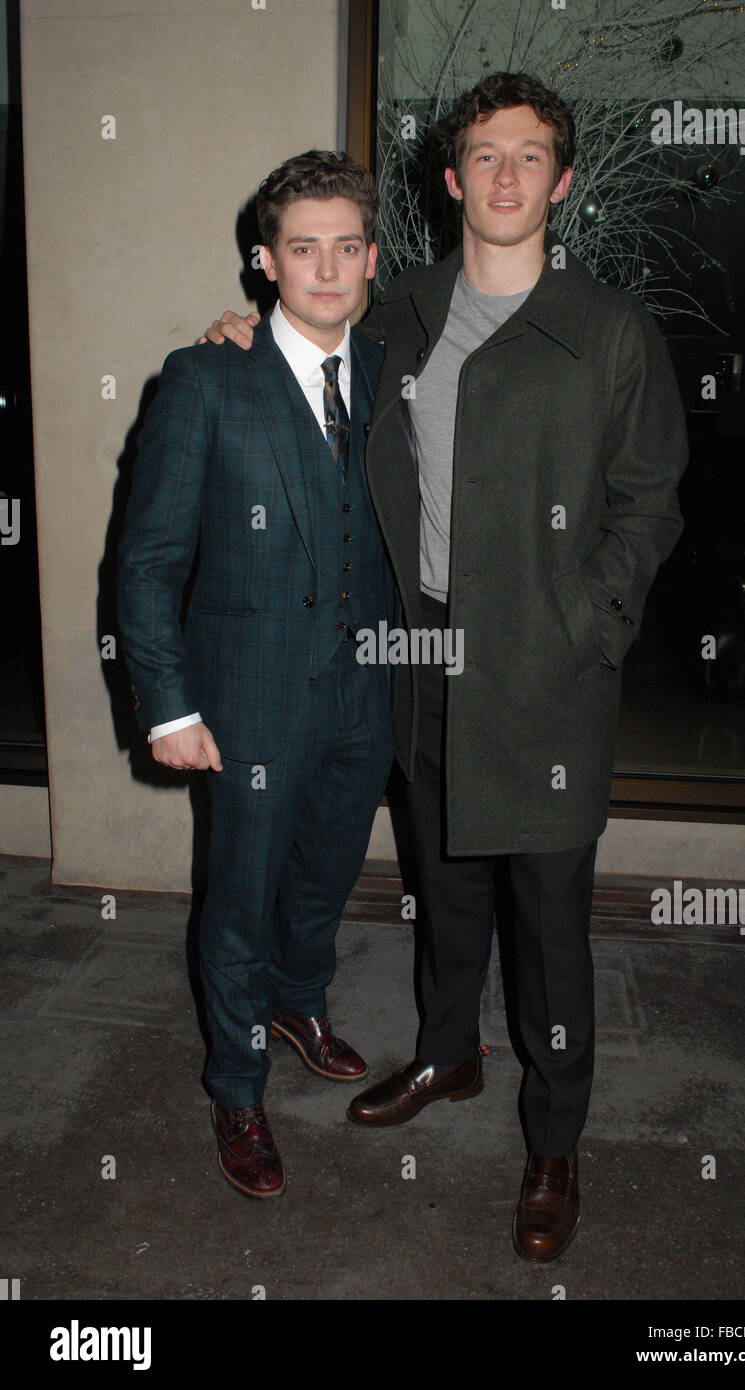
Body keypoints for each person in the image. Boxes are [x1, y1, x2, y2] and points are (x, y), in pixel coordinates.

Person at [202, 72, 689, 1258]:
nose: (506, 175)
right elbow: (306, 343)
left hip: (549, 671)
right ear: (450, 176)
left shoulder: (610, 332)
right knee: (445, 883)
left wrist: (588, 621)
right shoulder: (400, 310)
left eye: (529, 157)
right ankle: (447, 1053)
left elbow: (649, 499)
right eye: (485, 154)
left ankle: (552, 1142)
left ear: (560, 183)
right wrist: (237, 337)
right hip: (421, 648)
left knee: (549, 926)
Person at [117, 151, 398, 1200]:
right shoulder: (205, 378)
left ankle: (298, 1001)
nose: (325, 267)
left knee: (322, 880)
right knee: (237, 900)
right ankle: (236, 1086)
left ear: (370, 257)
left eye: (344, 246)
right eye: (300, 247)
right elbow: (146, 560)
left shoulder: (390, 375)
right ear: (264, 263)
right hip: (244, 701)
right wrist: (170, 703)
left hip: (360, 695)